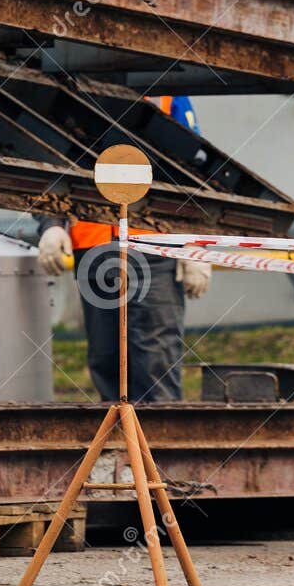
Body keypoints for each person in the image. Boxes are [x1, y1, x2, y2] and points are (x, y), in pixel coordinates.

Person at [36, 97, 212, 403]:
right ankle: (120, 446)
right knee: (106, 358)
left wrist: (194, 242)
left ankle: (159, 445)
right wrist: (50, 223)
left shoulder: (169, 98)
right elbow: (54, 161)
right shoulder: (68, 92)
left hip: (154, 246)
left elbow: (190, 173)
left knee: (155, 358)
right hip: (94, 245)